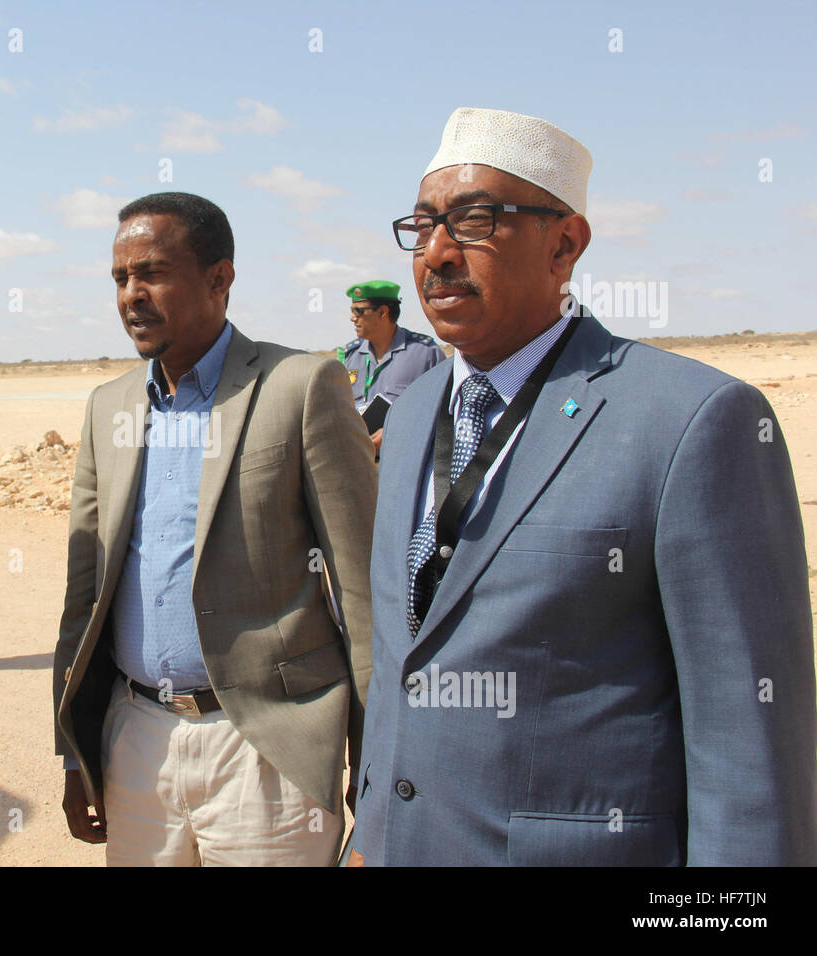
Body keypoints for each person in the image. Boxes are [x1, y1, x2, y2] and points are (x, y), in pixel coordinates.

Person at [349, 107, 816, 865]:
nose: (436, 253)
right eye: (423, 225)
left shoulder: (692, 422)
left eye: (474, 221)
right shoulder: (408, 423)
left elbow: (749, 743)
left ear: (564, 243)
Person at [54, 192, 377, 866]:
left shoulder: (301, 386)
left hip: (267, 748)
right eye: (120, 279)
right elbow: (83, 598)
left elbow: (362, 589)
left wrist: (377, 761)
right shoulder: (108, 409)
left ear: (219, 278)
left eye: (152, 273)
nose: (132, 296)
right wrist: (74, 751)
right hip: (137, 740)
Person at [338, 281, 443, 453]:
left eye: (359, 311)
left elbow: (442, 411)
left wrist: (396, 431)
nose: (353, 318)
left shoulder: (425, 353)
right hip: (358, 458)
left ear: (382, 312)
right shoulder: (349, 356)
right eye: (352, 312)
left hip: (403, 456)